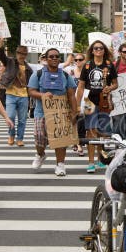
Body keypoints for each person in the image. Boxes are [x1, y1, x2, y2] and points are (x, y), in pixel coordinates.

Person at [28, 48, 78, 176]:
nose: (54, 58)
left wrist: (74, 112)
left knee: (60, 139)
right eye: (51, 57)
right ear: (46, 59)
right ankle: (40, 154)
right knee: (39, 138)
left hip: (61, 112)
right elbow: (31, 91)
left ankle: (60, 164)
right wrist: (42, 95)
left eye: (57, 56)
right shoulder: (38, 74)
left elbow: (71, 95)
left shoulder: (66, 75)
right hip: (41, 112)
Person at [75, 40, 118, 173]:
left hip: (105, 102)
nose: (98, 50)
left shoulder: (110, 65)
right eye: (96, 48)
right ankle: (91, 162)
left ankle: (101, 159)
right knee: (91, 131)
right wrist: (77, 105)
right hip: (89, 101)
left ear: (104, 50)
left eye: (101, 48)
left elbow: (116, 84)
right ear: (92, 51)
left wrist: (109, 88)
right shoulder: (87, 65)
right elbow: (81, 86)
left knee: (103, 132)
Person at [0, 38, 33, 147]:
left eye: (24, 54)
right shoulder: (10, 62)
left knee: (22, 119)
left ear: (26, 55)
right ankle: (11, 135)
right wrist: (1, 43)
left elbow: (31, 84)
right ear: (16, 53)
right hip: (10, 94)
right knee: (10, 116)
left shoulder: (28, 69)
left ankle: (20, 138)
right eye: (19, 53)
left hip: (24, 96)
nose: (21, 55)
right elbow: (1, 55)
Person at [64, 52, 87, 156]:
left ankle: (79, 143)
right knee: (73, 120)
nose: (78, 61)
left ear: (84, 60)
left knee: (82, 121)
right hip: (72, 98)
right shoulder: (70, 71)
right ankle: (77, 143)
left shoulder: (87, 71)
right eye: (76, 60)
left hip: (85, 99)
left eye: (80, 59)